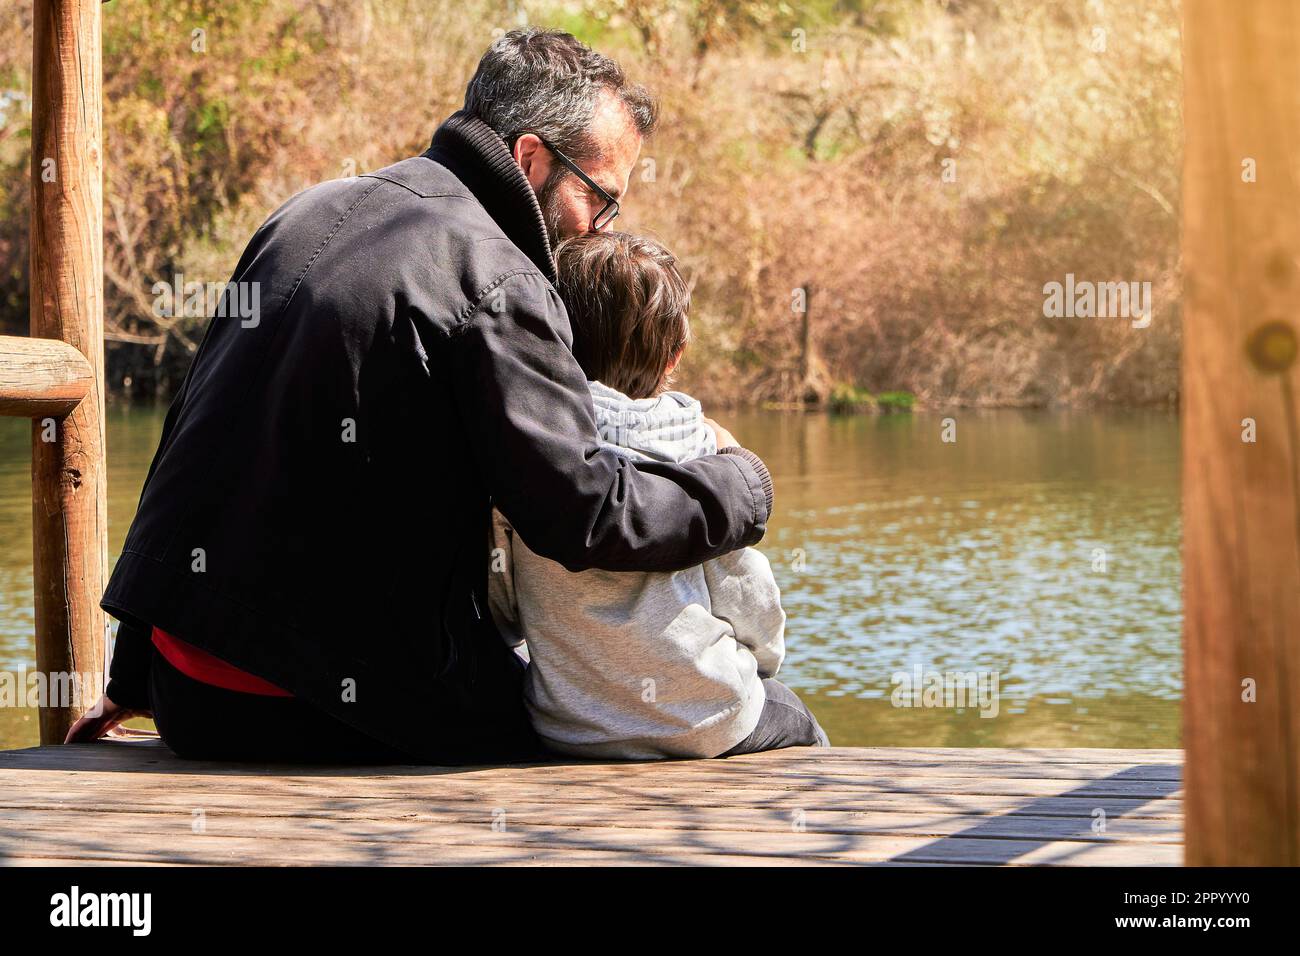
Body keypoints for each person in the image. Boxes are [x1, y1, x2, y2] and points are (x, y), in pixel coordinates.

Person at [67, 29, 775, 765]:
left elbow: (190, 442)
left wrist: (135, 675)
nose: (597, 229)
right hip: (326, 711)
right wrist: (742, 486)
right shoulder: (501, 282)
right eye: (599, 199)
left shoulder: (305, 212)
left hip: (193, 696)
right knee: (747, 710)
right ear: (531, 158)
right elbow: (586, 513)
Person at [488, 231, 828, 759]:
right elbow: (748, 596)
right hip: (705, 719)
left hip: (568, 725)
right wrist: (758, 664)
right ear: (676, 355)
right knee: (799, 721)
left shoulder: (531, 453)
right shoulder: (705, 455)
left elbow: (503, 603)